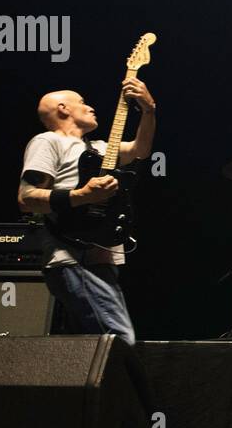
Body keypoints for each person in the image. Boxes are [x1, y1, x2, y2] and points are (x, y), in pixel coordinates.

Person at [16, 80, 157, 345]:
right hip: (72, 255)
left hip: (101, 254)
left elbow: (140, 149)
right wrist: (83, 196)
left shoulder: (102, 149)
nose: (91, 107)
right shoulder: (48, 141)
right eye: (82, 102)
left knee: (84, 348)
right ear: (62, 108)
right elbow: (27, 199)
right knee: (119, 340)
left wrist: (149, 110)